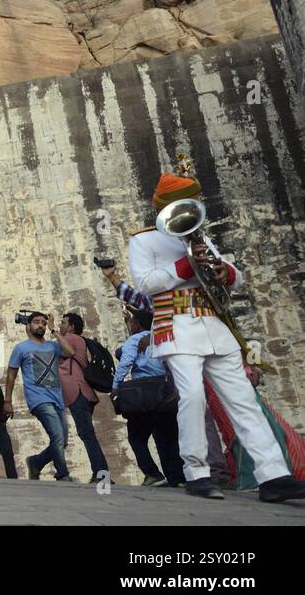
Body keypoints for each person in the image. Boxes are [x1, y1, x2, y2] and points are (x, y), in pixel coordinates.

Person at [129, 167, 305, 502]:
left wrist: (226, 273)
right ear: (166, 207)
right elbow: (145, 284)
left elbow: (235, 278)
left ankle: (274, 475)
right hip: (176, 326)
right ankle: (197, 472)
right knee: (193, 397)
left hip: (213, 325)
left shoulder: (200, 236)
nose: (191, 207)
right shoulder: (143, 240)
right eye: (184, 202)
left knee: (244, 400)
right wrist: (186, 266)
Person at [113, 306, 184, 486]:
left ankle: (152, 473)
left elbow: (125, 363)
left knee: (136, 436)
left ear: (137, 324)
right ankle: (177, 477)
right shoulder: (161, 337)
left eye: (131, 322)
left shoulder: (134, 340)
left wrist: (115, 387)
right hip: (165, 388)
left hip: (143, 392)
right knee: (168, 436)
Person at [6, 312, 74, 481]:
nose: (41, 325)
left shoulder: (53, 346)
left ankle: (36, 462)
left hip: (57, 399)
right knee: (57, 437)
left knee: (62, 441)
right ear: (27, 326)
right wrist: (8, 400)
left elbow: (70, 352)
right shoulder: (21, 348)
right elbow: (11, 376)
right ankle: (63, 474)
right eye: (36, 322)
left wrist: (54, 330)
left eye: (43, 323)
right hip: (39, 400)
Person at [57, 311, 110, 483]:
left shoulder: (72, 339)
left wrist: (52, 331)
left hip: (78, 392)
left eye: (63, 323)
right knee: (87, 433)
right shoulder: (76, 340)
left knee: (87, 434)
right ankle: (102, 473)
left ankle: (102, 474)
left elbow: (58, 351)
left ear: (71, 326)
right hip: (82, 393)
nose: (60, 325)